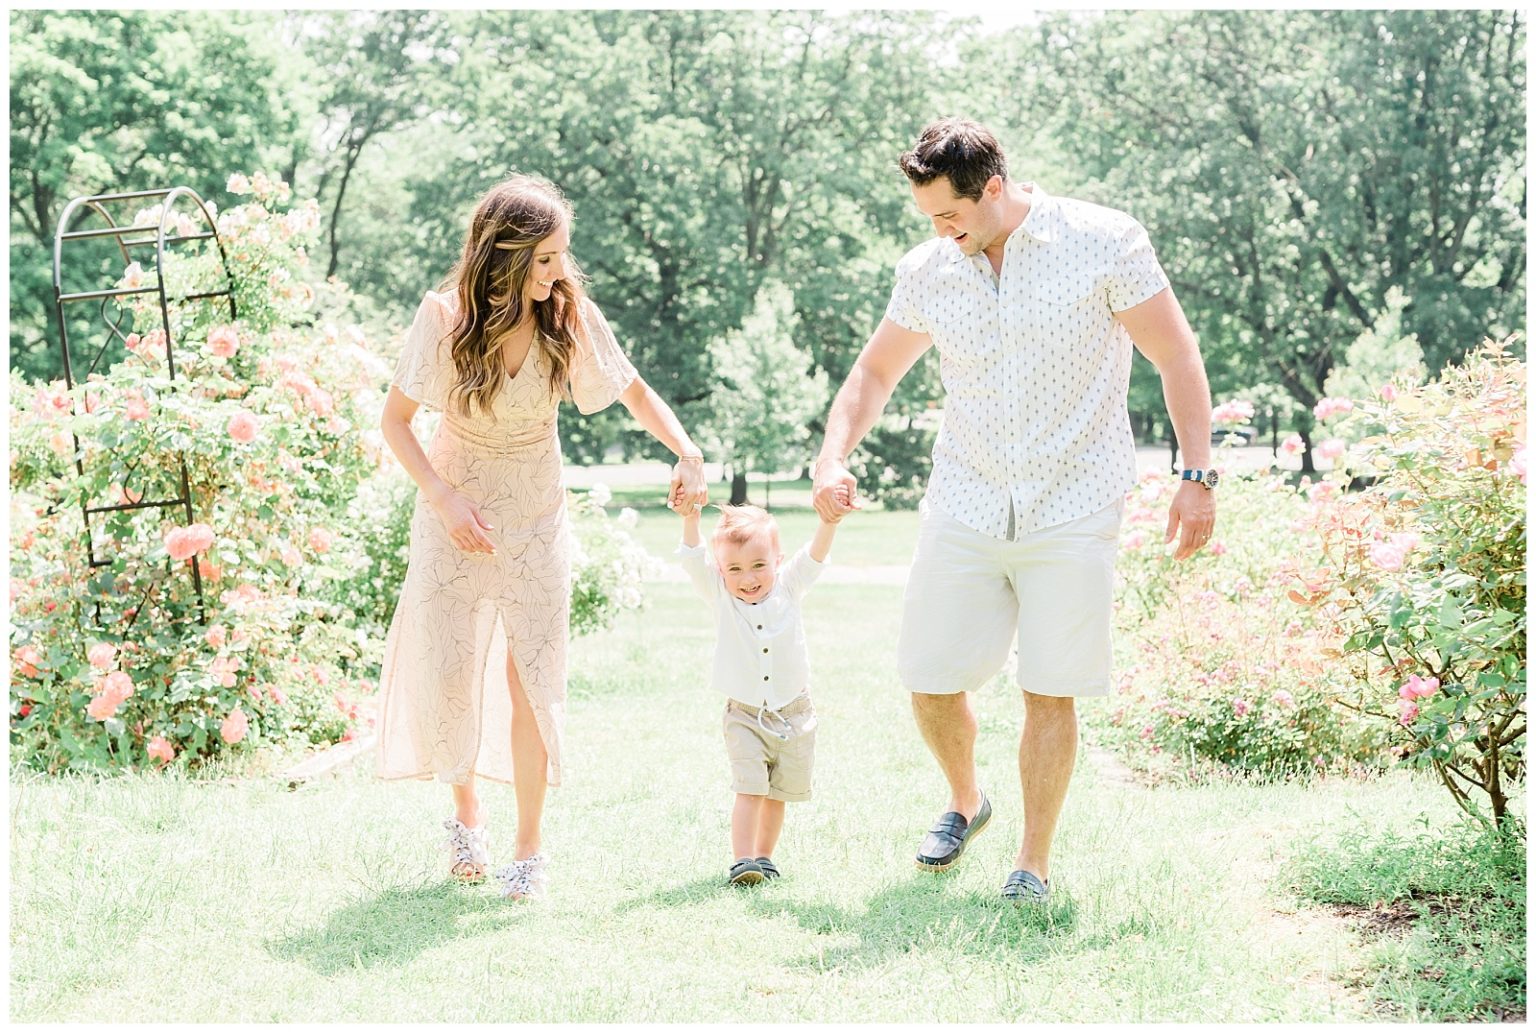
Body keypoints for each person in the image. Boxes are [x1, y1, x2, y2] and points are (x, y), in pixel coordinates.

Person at [811, 117, 1217, 903]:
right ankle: (967, 799)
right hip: (965, 494)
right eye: (929, 216)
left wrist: (1195, 472)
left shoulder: (1105, 241)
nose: (939, 230)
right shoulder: (930, 268)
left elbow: (1176, 354)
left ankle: (1031, 862)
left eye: (949, 214)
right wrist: (834, 454)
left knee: (1049, 685)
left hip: (1074, 499)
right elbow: (874, 372)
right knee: (927, 675)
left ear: (993, 187)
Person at [376, 174, 708, 900]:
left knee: (531, 680)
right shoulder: (442, 317)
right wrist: (444, 497)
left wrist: (685, 448)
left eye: (562, 256)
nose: (560, 272)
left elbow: (631, 388)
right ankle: (467, 815)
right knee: (451, 673)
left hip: (535, 522)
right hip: (454, 519)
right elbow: (395, 422)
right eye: (546, 258)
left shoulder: (567, 316)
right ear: (504, 254)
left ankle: (528, 847)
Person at [676, 501, 845, 885]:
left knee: (777, 793)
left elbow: (815, 557)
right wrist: (690, 519)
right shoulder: (720, 596)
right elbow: (692, 559)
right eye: (734, 569)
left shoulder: (789, 585)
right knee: (750, 787)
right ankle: (743, 860)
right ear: (721, 571)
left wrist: (827, 522)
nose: (747, 578)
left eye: (758, 566)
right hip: (745, 714)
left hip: (794, 712)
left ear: (776, 561)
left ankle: (765, 858)